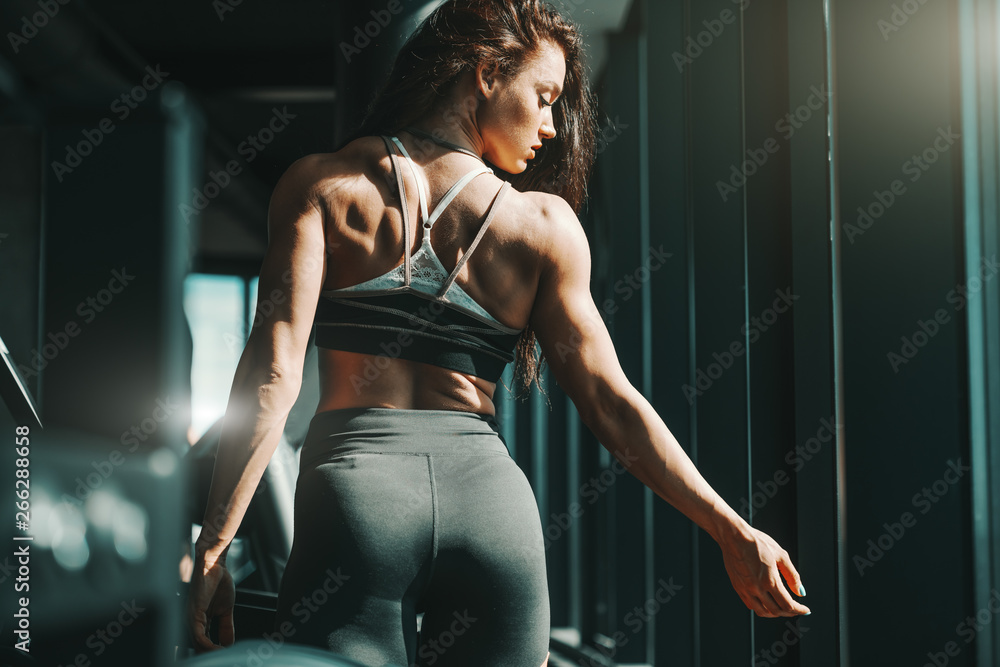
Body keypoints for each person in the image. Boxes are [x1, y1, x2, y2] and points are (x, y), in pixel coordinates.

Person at [186, 0, 811, 665]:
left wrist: (212, 551)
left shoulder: (323, 186)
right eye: (543, 97)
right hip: (493, 511)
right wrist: (730, 529)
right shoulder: (543, 227)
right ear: (485, 75)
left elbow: (272, 381)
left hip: (354, 503)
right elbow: (612, 403)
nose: (549, 125)